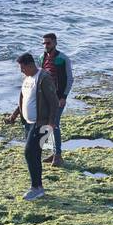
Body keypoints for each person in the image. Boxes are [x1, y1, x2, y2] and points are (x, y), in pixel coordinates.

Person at [6, 53, 59, 200]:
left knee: (29, 153)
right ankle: (38, 187)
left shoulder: (43, 78)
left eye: (23, 68)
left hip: (41, 123)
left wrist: (51, 123)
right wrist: (14, 115)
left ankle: (35, 187)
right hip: (28, 123)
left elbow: (54, 102)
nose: (21, 71)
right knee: (34, 155)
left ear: (30, 65)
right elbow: (23, 98)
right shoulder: (27, 78)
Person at [40, 33, 73, 168]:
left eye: (48, 43)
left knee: (54, 124)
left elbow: (70, 79)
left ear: (54, 43)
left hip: (58, 97)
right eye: (44, 43)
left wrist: (64, 97)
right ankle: (54, 153)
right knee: (49, 124)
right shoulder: (42, 57)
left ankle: (58, 155)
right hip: (46, 97)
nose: (46, 46)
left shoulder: (63, 59)